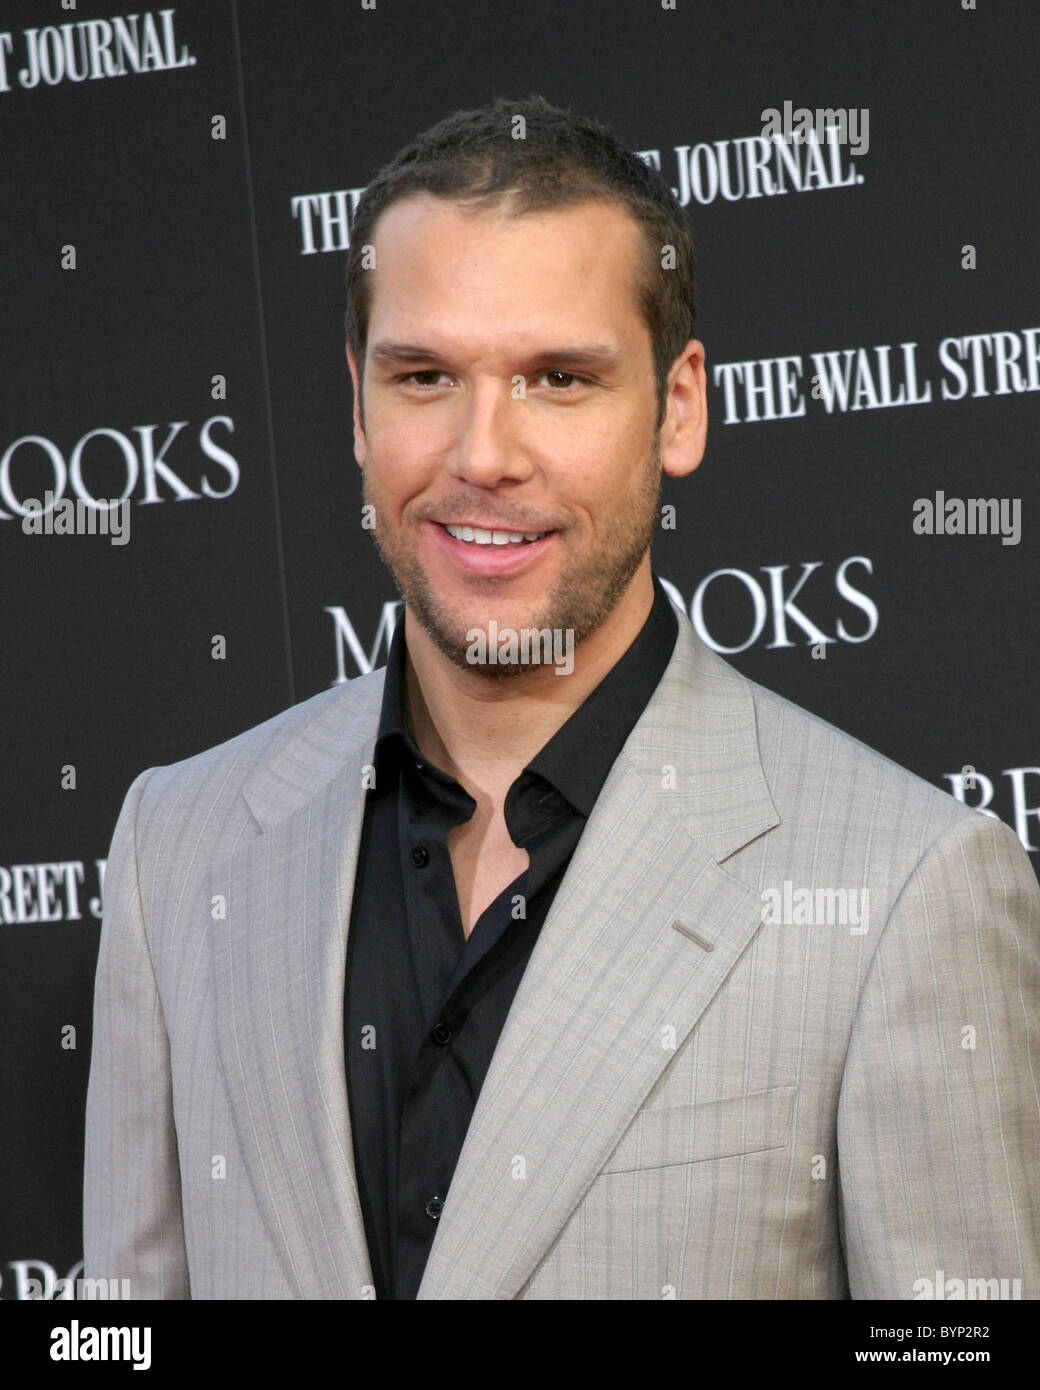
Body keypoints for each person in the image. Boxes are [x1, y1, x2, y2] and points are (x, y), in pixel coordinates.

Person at [84, 93, 1040, 1300]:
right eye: (425, 375)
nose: (484, 452)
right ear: (358, 409)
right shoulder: (177, 847)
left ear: (677, 407)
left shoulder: (907, 891)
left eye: (557, 378)